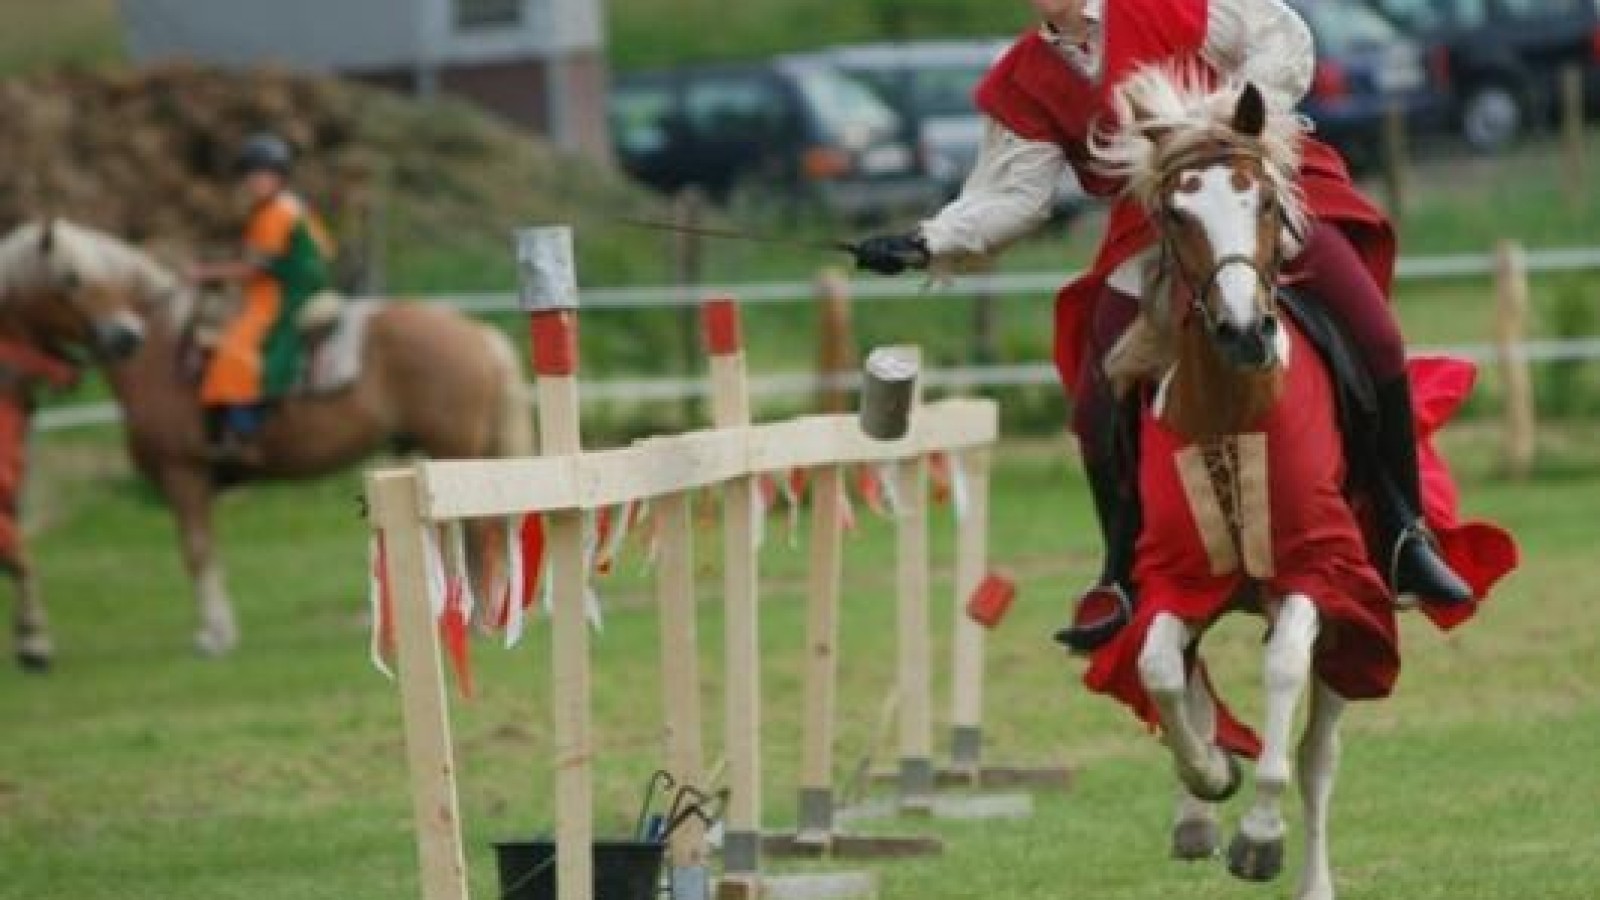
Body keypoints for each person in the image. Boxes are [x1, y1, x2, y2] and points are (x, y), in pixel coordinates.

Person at [853, 0, 1474, 654]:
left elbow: (1281, 38)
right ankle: (1120, 578)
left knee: (1374, 335)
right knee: (1095, 404)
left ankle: (1406, 536)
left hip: (1250, 190)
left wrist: (1226, 123)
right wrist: (927, 240)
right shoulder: (1023, 78)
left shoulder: (1162, 4)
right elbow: (1013, 196)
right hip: (1157, 230)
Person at [189, 132, 334, 463]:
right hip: (280, 287)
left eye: (263, 173)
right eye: (251, 173)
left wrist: (204, 274)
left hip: (287, 294)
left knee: (233, 350)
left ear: (279, 176)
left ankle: (245, 433)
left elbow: (251, 269)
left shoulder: (277, 213)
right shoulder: (279, 208)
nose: (255, 180)